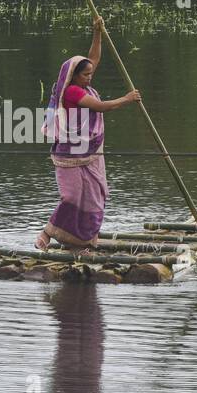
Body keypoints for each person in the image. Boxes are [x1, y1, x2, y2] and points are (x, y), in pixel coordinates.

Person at [35, 15, 140, 250]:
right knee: (71, 198)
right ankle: (47, 233)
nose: (90, 77)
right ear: (74, 76)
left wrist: (97, 32)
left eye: (91, 75)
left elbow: (93, 58)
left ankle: (80, 241)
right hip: (70, 155)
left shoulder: (83, 84)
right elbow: (103, 107)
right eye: (85, 75)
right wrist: (127, 98)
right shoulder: (72, 92)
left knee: (92, 197)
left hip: (89, 154)